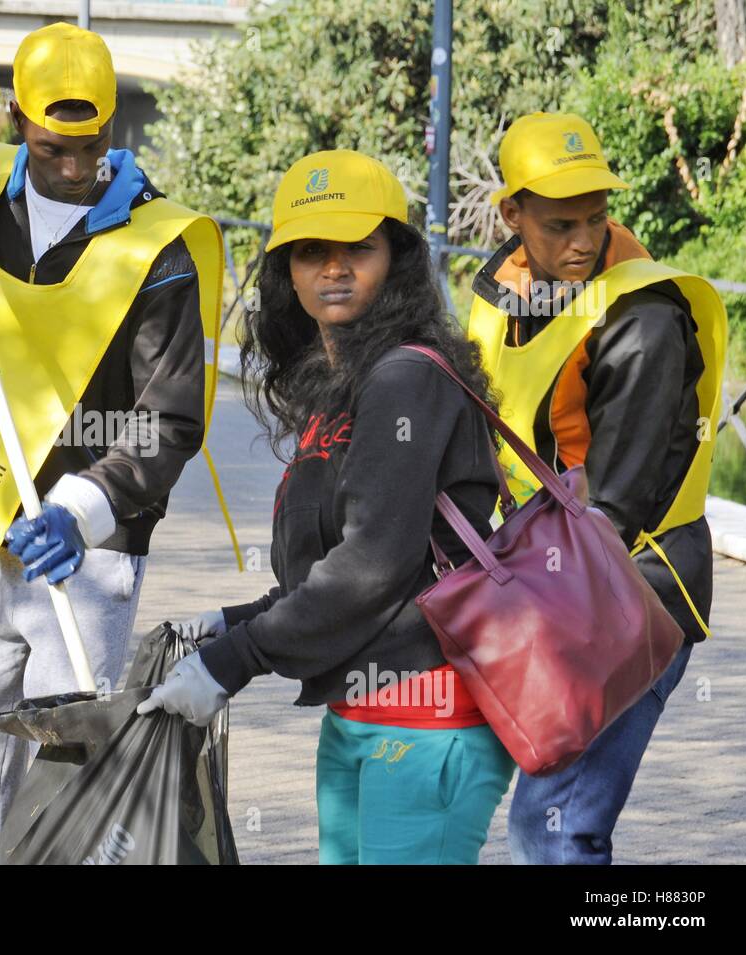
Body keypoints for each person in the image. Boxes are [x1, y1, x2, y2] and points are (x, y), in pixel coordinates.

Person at [0, 22, 224, 864]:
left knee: (63, 790)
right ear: (16, 118)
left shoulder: (157, 246)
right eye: (51, 147)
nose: (73, 166)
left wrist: (83, 509)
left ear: (111, 127)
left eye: (90, 145)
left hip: (87, 564)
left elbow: (171, 417)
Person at [141, 150, 516, 865]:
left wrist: (233, 660)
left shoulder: (404, 378)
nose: (334, 268)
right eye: (311, 251)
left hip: (426, 720)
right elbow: (344, 561)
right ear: (285, 271)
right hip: (358, 715)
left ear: (397, 260)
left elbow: (373, 566)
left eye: (358, 248)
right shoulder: (347, 382)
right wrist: (236, 619)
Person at [467, 112, 726, 865]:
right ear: (511, 214)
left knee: (555, 826)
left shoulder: (640, 319)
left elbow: (613, 511)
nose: (582, 240)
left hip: (631, 595)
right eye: (559, 224)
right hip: (551, 584)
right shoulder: (503, 287)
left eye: (596, 218)